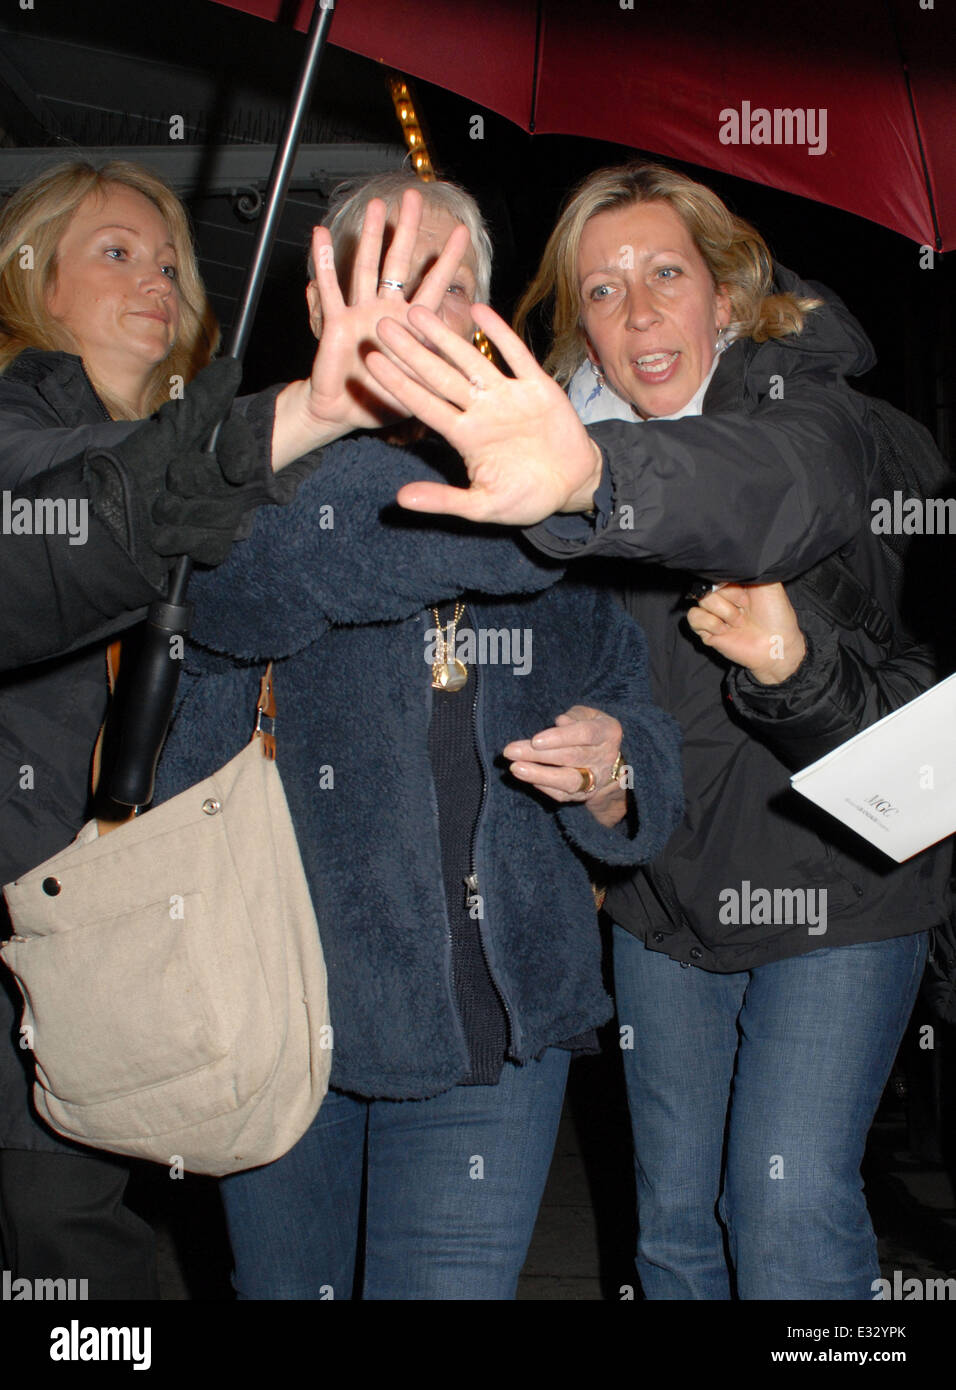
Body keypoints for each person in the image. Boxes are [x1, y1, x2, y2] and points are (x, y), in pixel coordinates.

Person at [362, 161, 950, 1299]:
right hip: (662, 904)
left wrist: (592, 481)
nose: (635, 311)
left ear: (726, 297)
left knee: (780, 1210)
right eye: (599, 288)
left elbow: (768, 487)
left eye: (665, 274)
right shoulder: (552, 463)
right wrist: (589, 778)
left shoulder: (804, 412)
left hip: (835, 885)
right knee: (673, 1233)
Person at [150, 170, 684, 1300]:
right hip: (282, 1014)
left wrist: (613, 765)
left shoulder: (549, 483)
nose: (420, 313)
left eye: (454, 287)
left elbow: (631, 707)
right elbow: (245, 596)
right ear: (320, 302)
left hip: (493, 1019)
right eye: (394, 277)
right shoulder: (241, 472)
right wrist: (553, 516)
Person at [0, 156, 387, 1297]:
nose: (157, 278)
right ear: (30, 282)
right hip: (37, 930)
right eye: (114, 252)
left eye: (169, 259)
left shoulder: (180, 433)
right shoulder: (22, 422)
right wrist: (277, 422)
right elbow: (60, 523)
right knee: (73, 1257)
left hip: (168, 928)